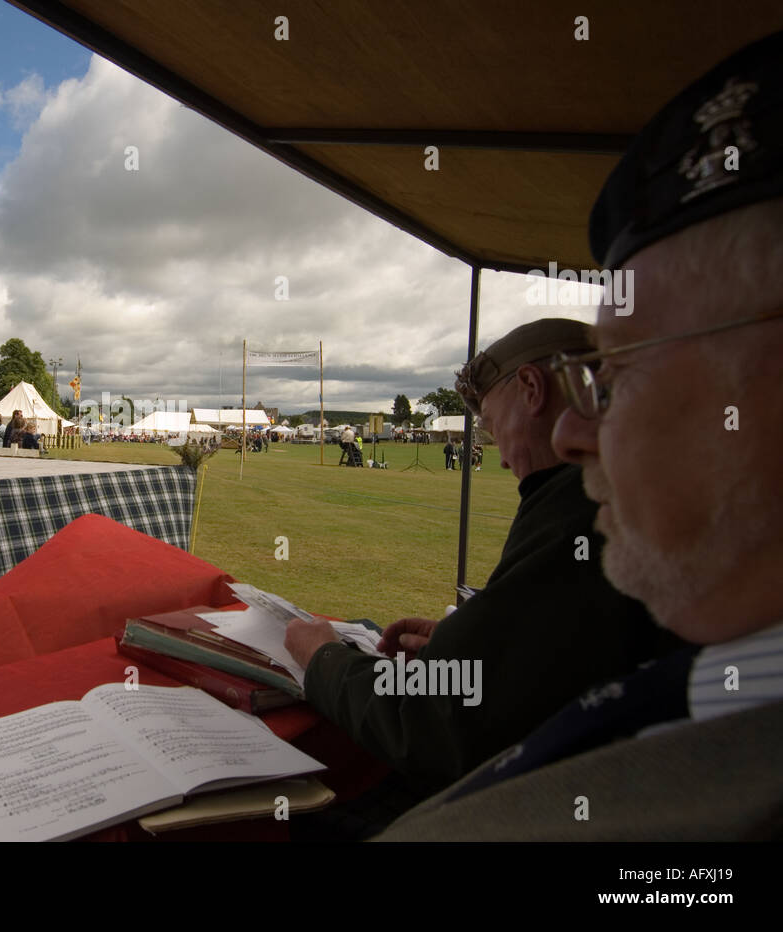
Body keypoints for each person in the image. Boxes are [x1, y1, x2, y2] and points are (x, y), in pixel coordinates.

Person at [376, 31, 783, 840]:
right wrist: (470, 639)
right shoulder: (719, 664)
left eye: (620, 377)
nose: (573, 435)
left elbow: (456, 723)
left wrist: (330, 658)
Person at [283, 318, 682, 838]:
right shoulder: (593, 495)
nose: (506, 458)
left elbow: (436, 729)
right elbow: (555, 657)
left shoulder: (583, 499)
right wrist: (471, 640)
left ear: (533, 390)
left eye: (494, 430)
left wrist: (325, 659)